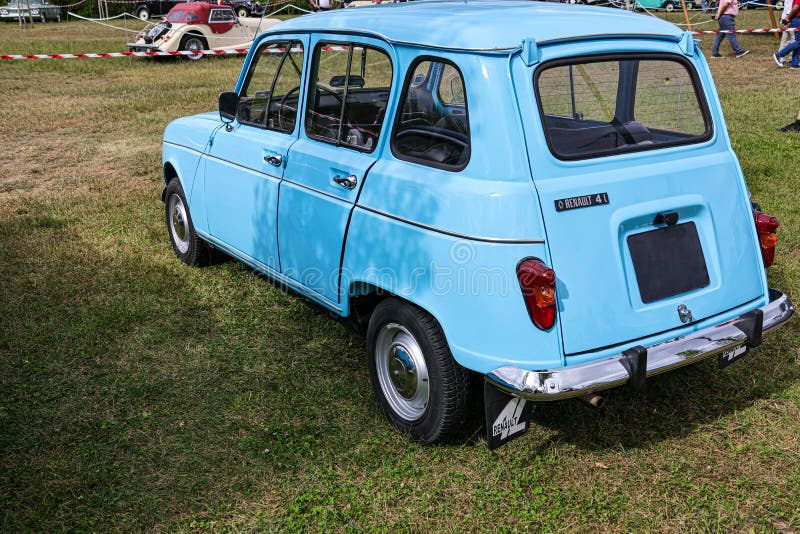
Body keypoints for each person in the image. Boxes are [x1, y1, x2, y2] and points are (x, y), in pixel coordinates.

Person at [774, 0, 800, 68]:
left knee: (797, 41)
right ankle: (779, 55)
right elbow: (796, 7)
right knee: (798, 41)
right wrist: (788, 18)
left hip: (796, 19)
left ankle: (795, 63)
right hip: (797, 19)